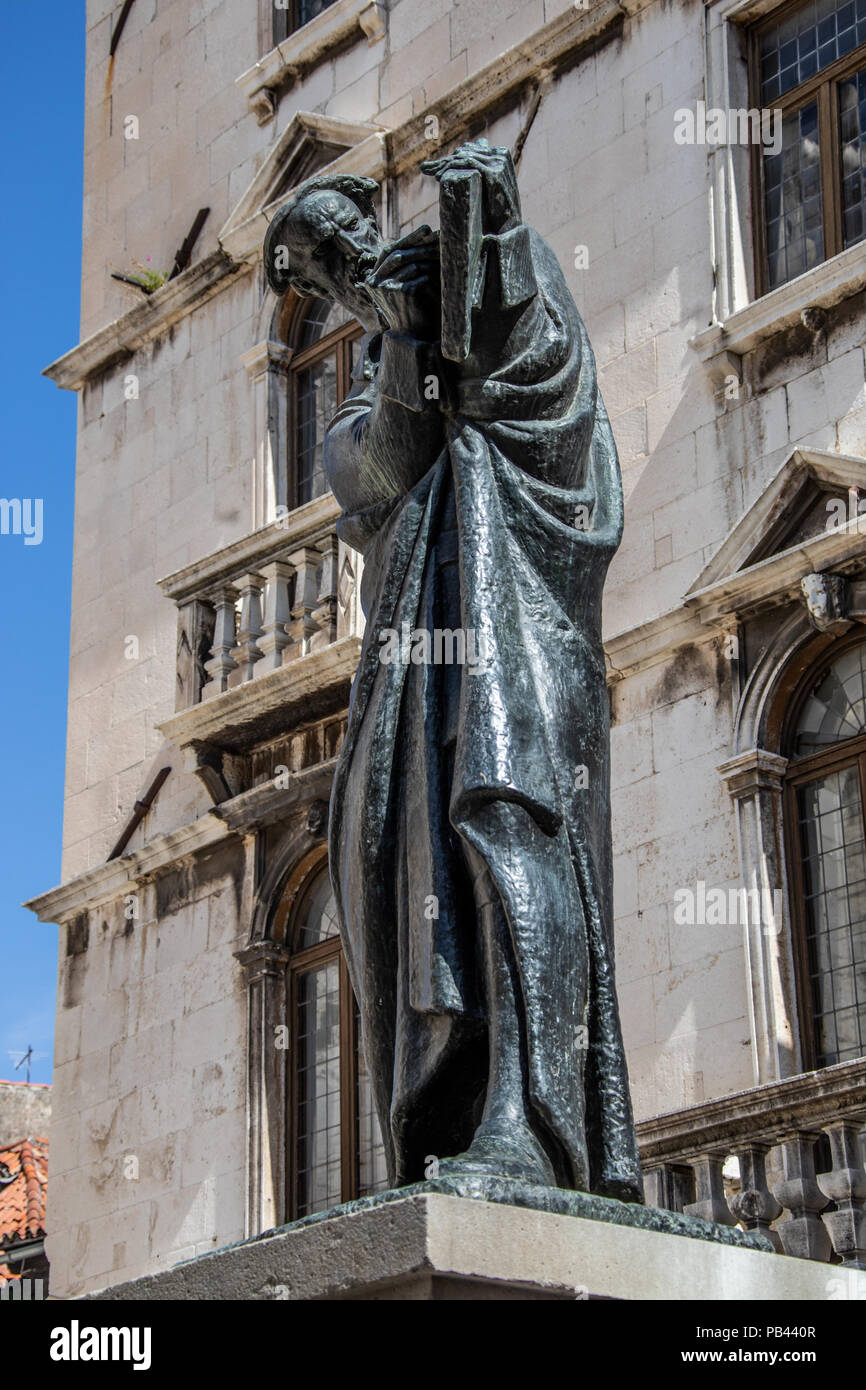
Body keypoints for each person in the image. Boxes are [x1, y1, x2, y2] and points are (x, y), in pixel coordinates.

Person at [264, 139, 643, 1200]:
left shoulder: (496, 276)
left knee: (506, 832)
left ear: (367, 217)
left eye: (341, 235)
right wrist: (400, 337)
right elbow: (384, 455)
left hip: (514, 627)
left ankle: (535, 1120)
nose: (340, 261)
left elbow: (542, 390)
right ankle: (463, 1112)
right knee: (420, 874)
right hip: (418, 669)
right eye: (318, 267)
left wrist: (495, 232)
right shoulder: (353, 409)